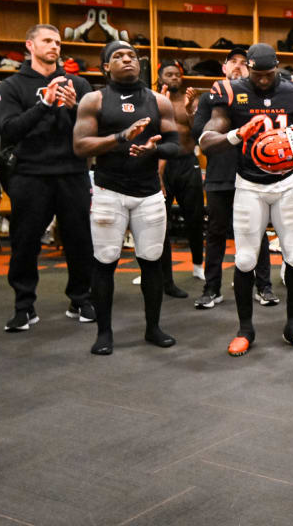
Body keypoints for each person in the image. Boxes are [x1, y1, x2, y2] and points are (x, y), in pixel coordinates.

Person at [200, 43, 293, 356]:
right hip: (249, 186)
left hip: (287, 184)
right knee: (244, 259)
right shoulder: (229, 91)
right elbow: (205, 141)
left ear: (277, 68)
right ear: (249, 69)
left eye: (269, 74)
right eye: (257, 74)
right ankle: (245, 329)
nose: (264, 80)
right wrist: (237, 134)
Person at [72, 41, 180, 355]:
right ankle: (104, 332)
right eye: (117, 56)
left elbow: (177, 144)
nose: (126, 60)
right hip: (110, 192)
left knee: (151, 262)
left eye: (131, 55)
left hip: (148, 192)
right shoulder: (94, 100)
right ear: (105, 66)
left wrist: (154, 149)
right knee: (105, 262)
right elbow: (80, 146)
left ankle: (153, 328)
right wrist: (120, 137)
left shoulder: (159, 101)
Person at [0, 24, 95, 332]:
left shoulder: (78, 84)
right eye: (47, 41)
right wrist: (44, 104)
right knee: (25, 242)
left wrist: (75, 107)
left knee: (80, 241)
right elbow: (10, 130)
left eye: (57, 42)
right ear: (29, 45)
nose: (54, 46)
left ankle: (81, 298)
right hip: (30, 173)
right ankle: (24, 305)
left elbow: (95, 128)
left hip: (72, 172)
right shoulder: (12, 86)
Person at [192, 46, 274, 309]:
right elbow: (200, 136)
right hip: (219, 176)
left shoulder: (256, 96)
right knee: (215, 234)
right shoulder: (209, 98)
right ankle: (211, 288)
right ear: (224, 68)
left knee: (258, 233)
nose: (238, 66)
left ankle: (264, 287)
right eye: (233, 62)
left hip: (253, 177)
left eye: (243, 62)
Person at [155, 60, 205, 297]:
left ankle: (197, 264)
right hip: (161, 166)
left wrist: (190, 110)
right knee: (157, 223)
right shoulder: (152, 99)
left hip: (187, 162)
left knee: (194, 217)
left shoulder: (190, 100)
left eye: (177, 74)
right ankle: (156, 270)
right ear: (160, 77)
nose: (174, 78)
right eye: (169, 74)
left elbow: (198, 133)